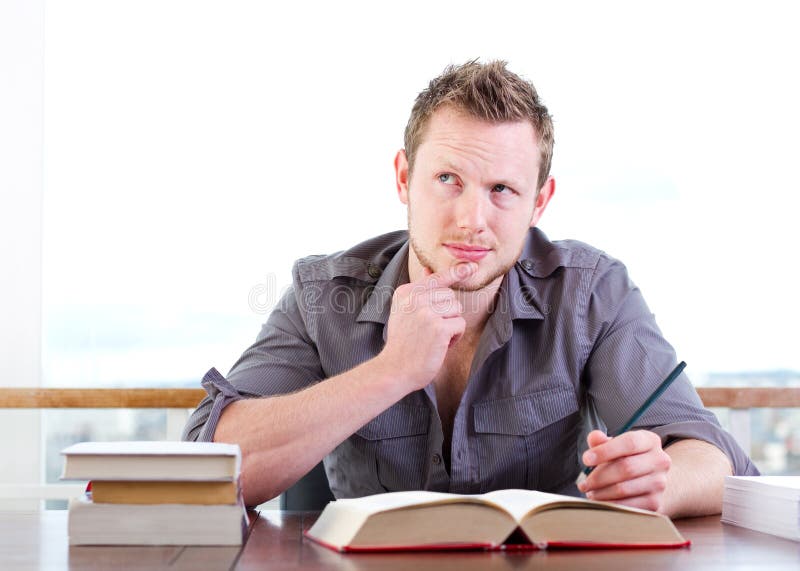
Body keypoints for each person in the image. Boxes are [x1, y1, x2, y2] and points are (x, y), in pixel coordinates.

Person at [182, 60, 758, 517]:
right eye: (447, 179)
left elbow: (712, 457)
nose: (471, 220)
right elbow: (203, 469)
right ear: (405, 178)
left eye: (503, 189)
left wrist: (661, 483)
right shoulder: (321, 296)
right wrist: (389, 372)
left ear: (540, 202)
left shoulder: (591, 294)